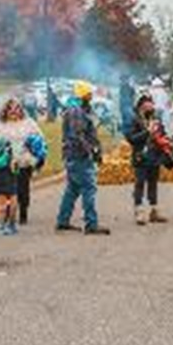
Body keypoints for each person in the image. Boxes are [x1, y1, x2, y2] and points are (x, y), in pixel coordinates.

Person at [56, 80, 108, 234]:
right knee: (89, 188)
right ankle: (91, 224)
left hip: (75, 155)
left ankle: (63, 221)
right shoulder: (76, 111)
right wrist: (91, 151)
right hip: (78, 155)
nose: (92, 96)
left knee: (72, 189)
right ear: (83, 94)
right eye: (89, 93)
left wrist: (97, 149)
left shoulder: (81, 109)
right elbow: (78, 135)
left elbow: (89, 132)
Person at [0, 98, 47, 226]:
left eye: (16, 108)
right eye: (10, 108)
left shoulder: (29, 123)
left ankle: (23, 212)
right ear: (5, 110)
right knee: (7, 189)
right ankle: (8, 213)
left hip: (24, 161)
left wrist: (38, 157)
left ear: (21, 110)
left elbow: (39, 140)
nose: (13, 111)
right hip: (5, 163)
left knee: (22, 189)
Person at [125, 94, 173, 225]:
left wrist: (166, 140)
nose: (152, 106)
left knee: (153, 183)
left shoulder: (155, 118)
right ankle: (139, 211)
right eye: (149, 103)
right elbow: (131, 138)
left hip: (154, 156)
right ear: (142, 106)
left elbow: (162, 132)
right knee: (140, 183)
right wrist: (147, 131)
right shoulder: (134, 119)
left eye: (152, 103)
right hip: (141, 156)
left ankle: (154, 211)